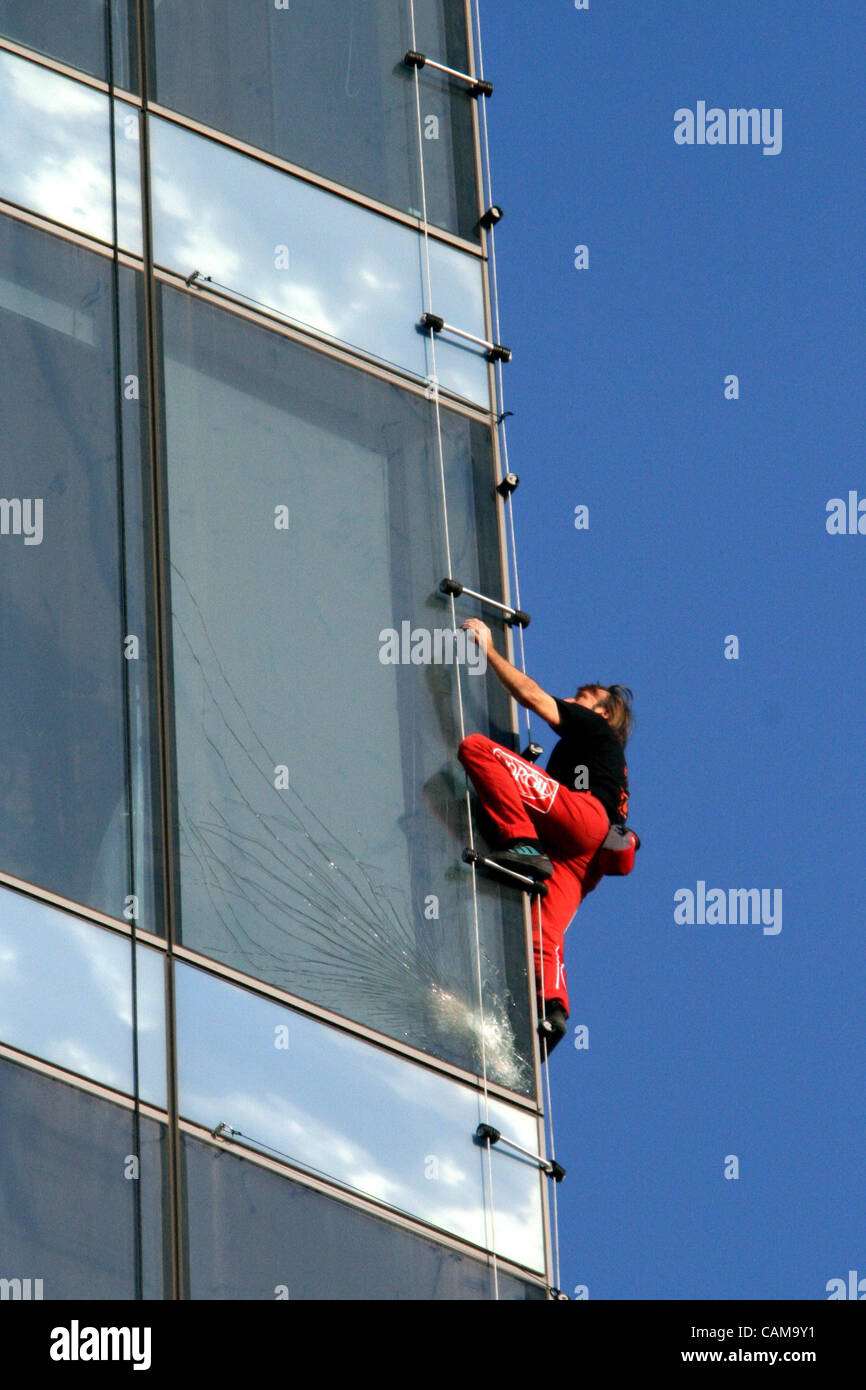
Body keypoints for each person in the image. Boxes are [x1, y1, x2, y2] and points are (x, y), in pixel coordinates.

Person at [457, 618, 633, 1055]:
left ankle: (523, 844)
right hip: (582, 859)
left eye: (583, 698)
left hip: (579, 822)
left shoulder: (594, 730)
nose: (572, 700)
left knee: (478, 749)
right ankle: (553, 1011)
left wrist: (488, 649)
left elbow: (531, 696)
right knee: (543, 932)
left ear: (603, 712)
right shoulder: (607, 761)